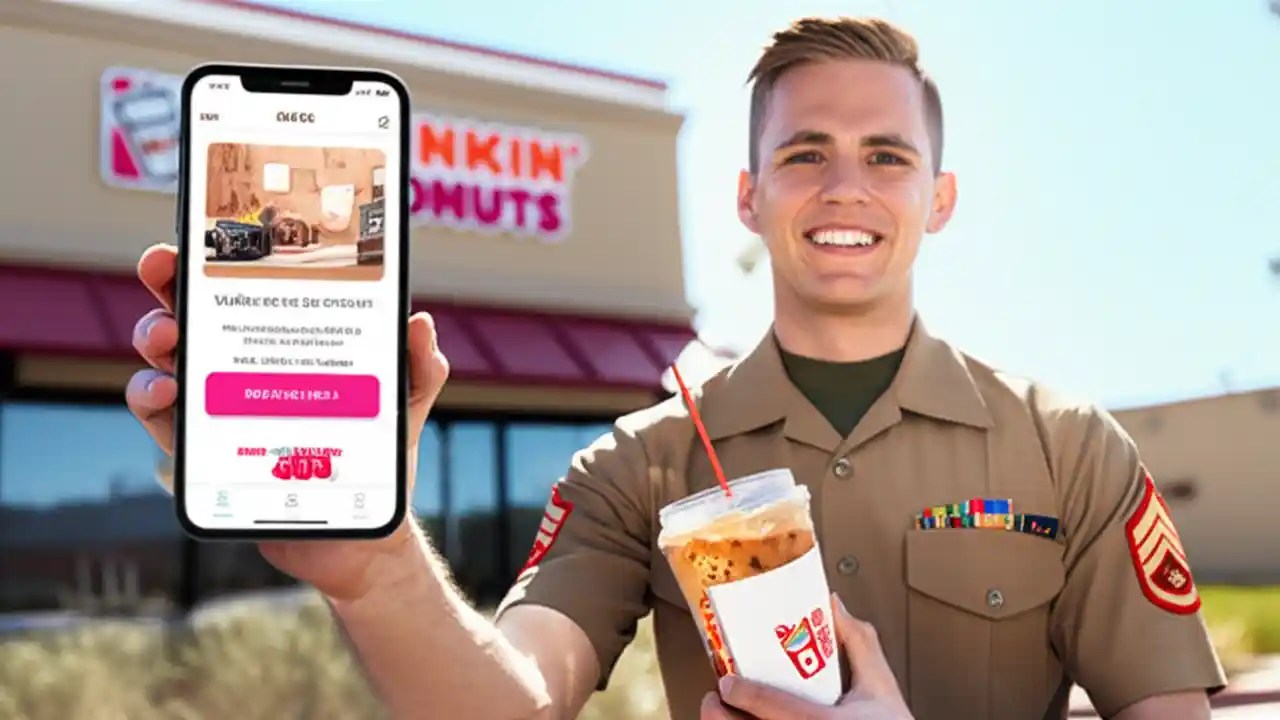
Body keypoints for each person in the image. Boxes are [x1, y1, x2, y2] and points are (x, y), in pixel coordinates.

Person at [126, 16, 1226, 720]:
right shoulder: (638, 468)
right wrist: (374, 569)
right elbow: (514, 704)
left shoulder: (1067, 447)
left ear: (937, 197)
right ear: (748, 196)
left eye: (885, 157)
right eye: (803, 154)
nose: (844, 186)